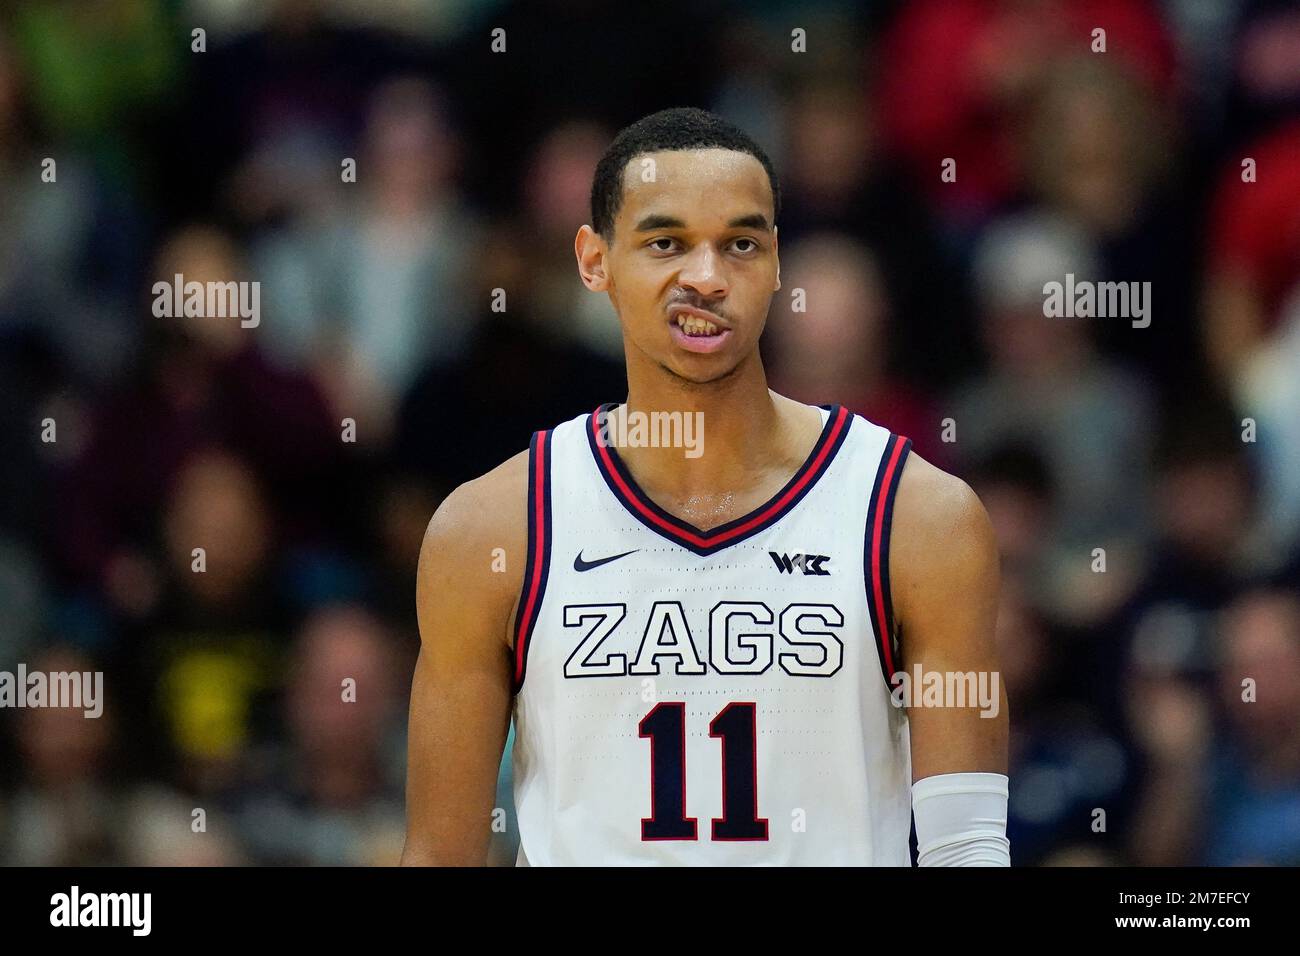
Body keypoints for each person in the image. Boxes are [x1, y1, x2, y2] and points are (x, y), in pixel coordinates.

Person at [402, 108, 1009, 865]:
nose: (707, 279)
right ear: (595, 261)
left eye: (741, 244)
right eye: (666, 243)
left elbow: (968, 847)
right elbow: (439, 855)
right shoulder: (492, 530)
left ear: (778, 263)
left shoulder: (917, 516)